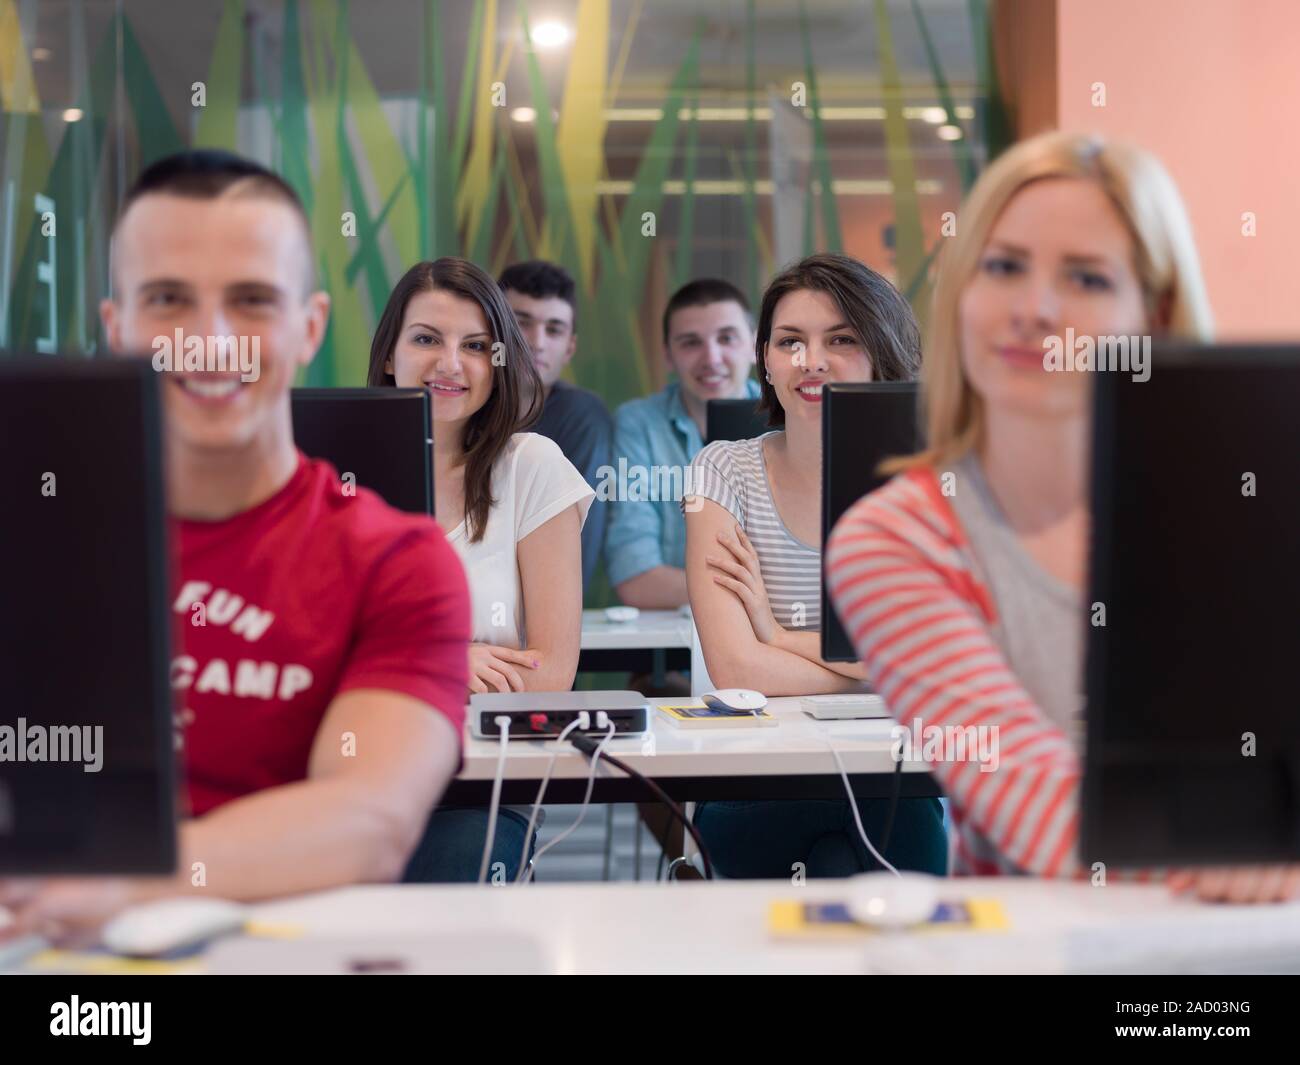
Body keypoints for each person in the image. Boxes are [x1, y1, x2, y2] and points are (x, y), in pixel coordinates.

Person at [0, 150, 472, 943]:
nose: (210, 339)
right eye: (168, 300)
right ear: (117, 328)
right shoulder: (30, 542)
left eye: (251, 300)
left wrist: (122, 879)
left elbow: (369, 818)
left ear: (308, 326)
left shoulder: (399, 560)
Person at [826, 130, 1300, 903]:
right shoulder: (897, 539)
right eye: (1004, 265)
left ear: (1153, 313)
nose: (1035, 309)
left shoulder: (1252, 500)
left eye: (1084, 277)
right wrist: (1249, 858)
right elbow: (1045, 818)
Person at [683, 253, 946, 878]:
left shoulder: (926, 480)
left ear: (883, 353)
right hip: (757, 775)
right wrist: (872, 669)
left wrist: (776, 636)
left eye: (842, 340)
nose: (810, 362)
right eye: (790, 341)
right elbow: (736, 667)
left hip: (892, 777)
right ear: (766, 360)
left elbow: (927, 665)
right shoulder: (720, 471)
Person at [367, 258, 594, 881]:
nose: (450, 363)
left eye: (475, 346)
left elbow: (549, 676)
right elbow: (313, 658)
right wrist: (447, 659)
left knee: (442, 890)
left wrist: (394, 665)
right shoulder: (336, 473)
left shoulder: (533, 466)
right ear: (389, 354)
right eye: (426, 339)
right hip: (358, 773)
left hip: (485, 782)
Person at [605, 278, 760, 610]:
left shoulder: (791, 419)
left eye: (727, 338)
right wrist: (758, 594)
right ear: (668, 356)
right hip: (674, 650)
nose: (712, 358)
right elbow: (637, 580)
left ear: (754, 345)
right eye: (691, 342)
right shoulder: (638, 425)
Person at [498, 260, 611, 592]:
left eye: (554, 329)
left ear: (570, 348)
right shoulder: (459, 404)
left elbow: (574, 559)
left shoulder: (582, 416)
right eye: (522, 323)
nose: (536, 342)